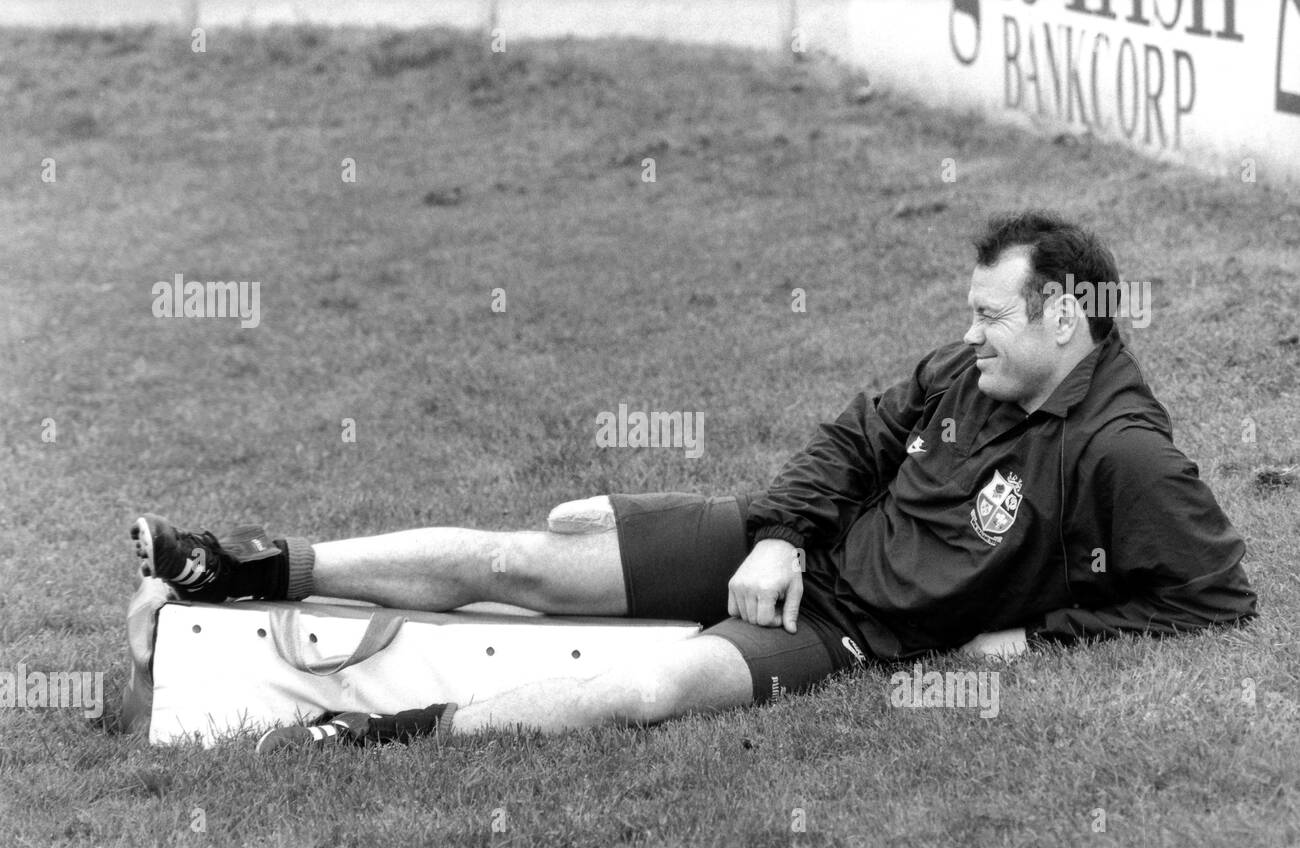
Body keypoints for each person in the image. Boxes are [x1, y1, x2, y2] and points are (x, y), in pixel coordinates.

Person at [131, 211, 1256, 752]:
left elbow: (1213, 598)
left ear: (1066, 312)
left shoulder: (1122, 451)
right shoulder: (966, 367)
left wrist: (1036, 639)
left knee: (647, 691)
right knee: (516, 559)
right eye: (967, 311)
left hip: (851, 629)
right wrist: (775, 536)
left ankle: (395, 731)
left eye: (988, 311)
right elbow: (851, 439)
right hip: (784, 547)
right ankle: (246, 565)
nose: (968, 332)